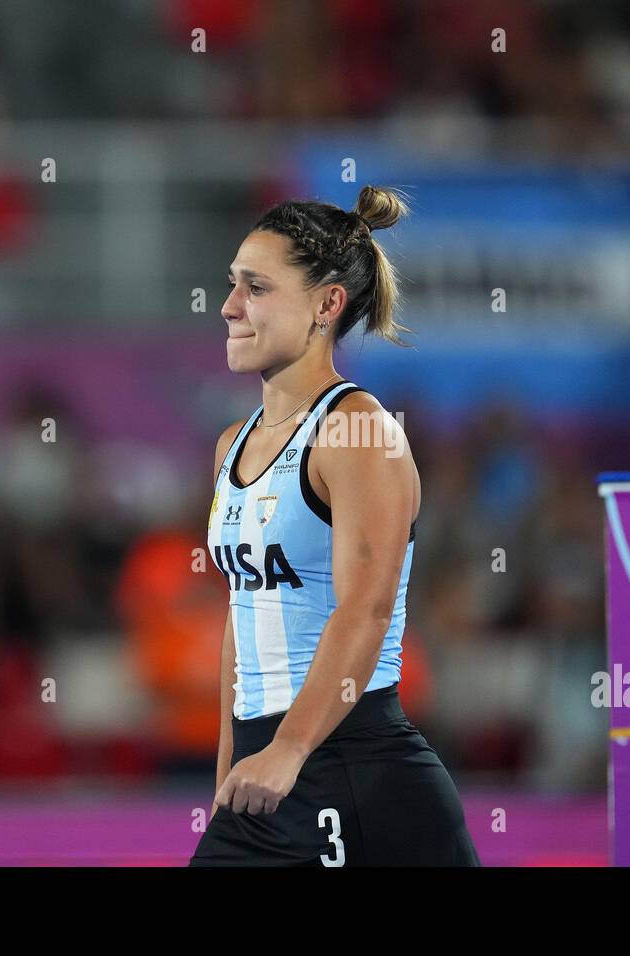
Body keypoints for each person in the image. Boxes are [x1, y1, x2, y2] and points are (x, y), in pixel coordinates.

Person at [189, 184, 480, 866]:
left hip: (358, 771)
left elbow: (367, 607)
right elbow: (245, 615)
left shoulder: (358, 430)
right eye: (232, 285)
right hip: (265, 774)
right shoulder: (232, 444)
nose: (229, 307)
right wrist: (231, 770)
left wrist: (290, 748)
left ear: (326, 305)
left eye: (256, 288)